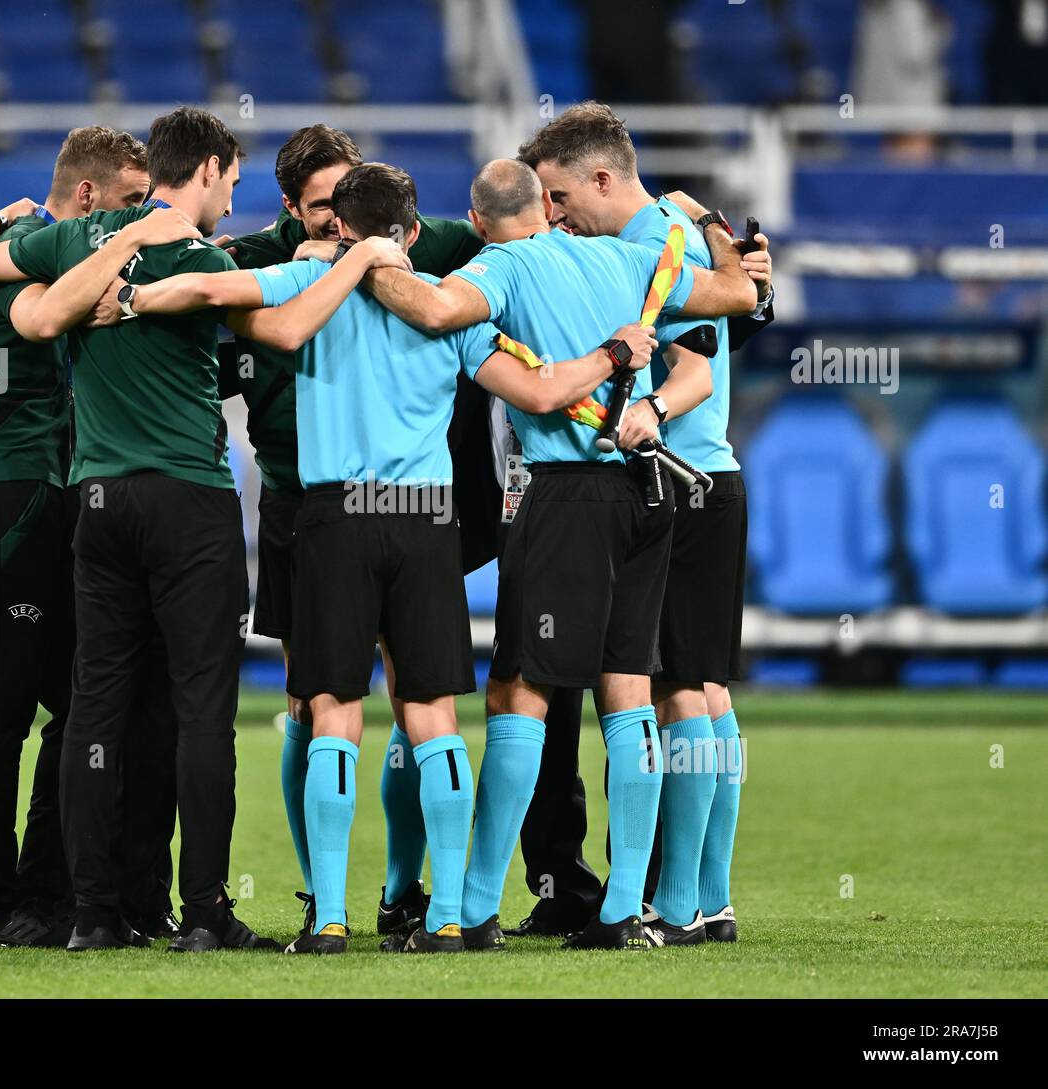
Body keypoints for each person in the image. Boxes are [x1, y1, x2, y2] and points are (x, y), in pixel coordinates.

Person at [117, 162, 659, 953]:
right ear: (411, 230)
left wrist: (132, 297)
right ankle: (446, 918)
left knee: (333, 712)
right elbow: (539, 390)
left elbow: (207, 292)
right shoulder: (449, 310)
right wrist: (617, 357)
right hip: (425, 518)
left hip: (335, 512)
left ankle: (330, 919)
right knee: (432, 717)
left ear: (337, 224)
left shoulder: (305, 284)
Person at [360, 157, 758, 950]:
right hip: (649, 496)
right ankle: (627, 912)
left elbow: (438, 312)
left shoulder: (500, 266)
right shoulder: (628, 256)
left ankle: (471, 912)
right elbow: (738, 297)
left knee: (518, 695)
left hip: (566, 494)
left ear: (478, 222)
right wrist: (713, 229)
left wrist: (368, 264)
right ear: (548, 204)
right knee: (630, 690)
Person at [0, 107, 275, 952]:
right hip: (55, 497)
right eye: (229, 182)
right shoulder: (127, 246)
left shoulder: (73, 246)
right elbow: (276, 323)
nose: (142, 211)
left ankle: (89, 905)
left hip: (82, 500)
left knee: (89, 705)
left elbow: (10, 316)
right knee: (56, 706)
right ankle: (26, 907)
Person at [516, 104, 773, 944]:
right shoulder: (674, 227)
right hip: (710, 479)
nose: (554, 216)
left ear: (600, 178)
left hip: (680, 478)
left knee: (678, 692)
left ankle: (681, 902)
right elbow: (741, 304)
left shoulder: (654, 246)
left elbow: (696, 368)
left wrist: (652, 407)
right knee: (704, 690)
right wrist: (705, 213)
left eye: (559, 196)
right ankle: (709, 894)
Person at [0, 127, 176, 948]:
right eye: (131, 200)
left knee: (82, 699)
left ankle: (45, 890)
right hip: (13, 499)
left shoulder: (10, 243)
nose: (141, 213)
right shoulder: (41, 247)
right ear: (89, 198)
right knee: (10, 703)